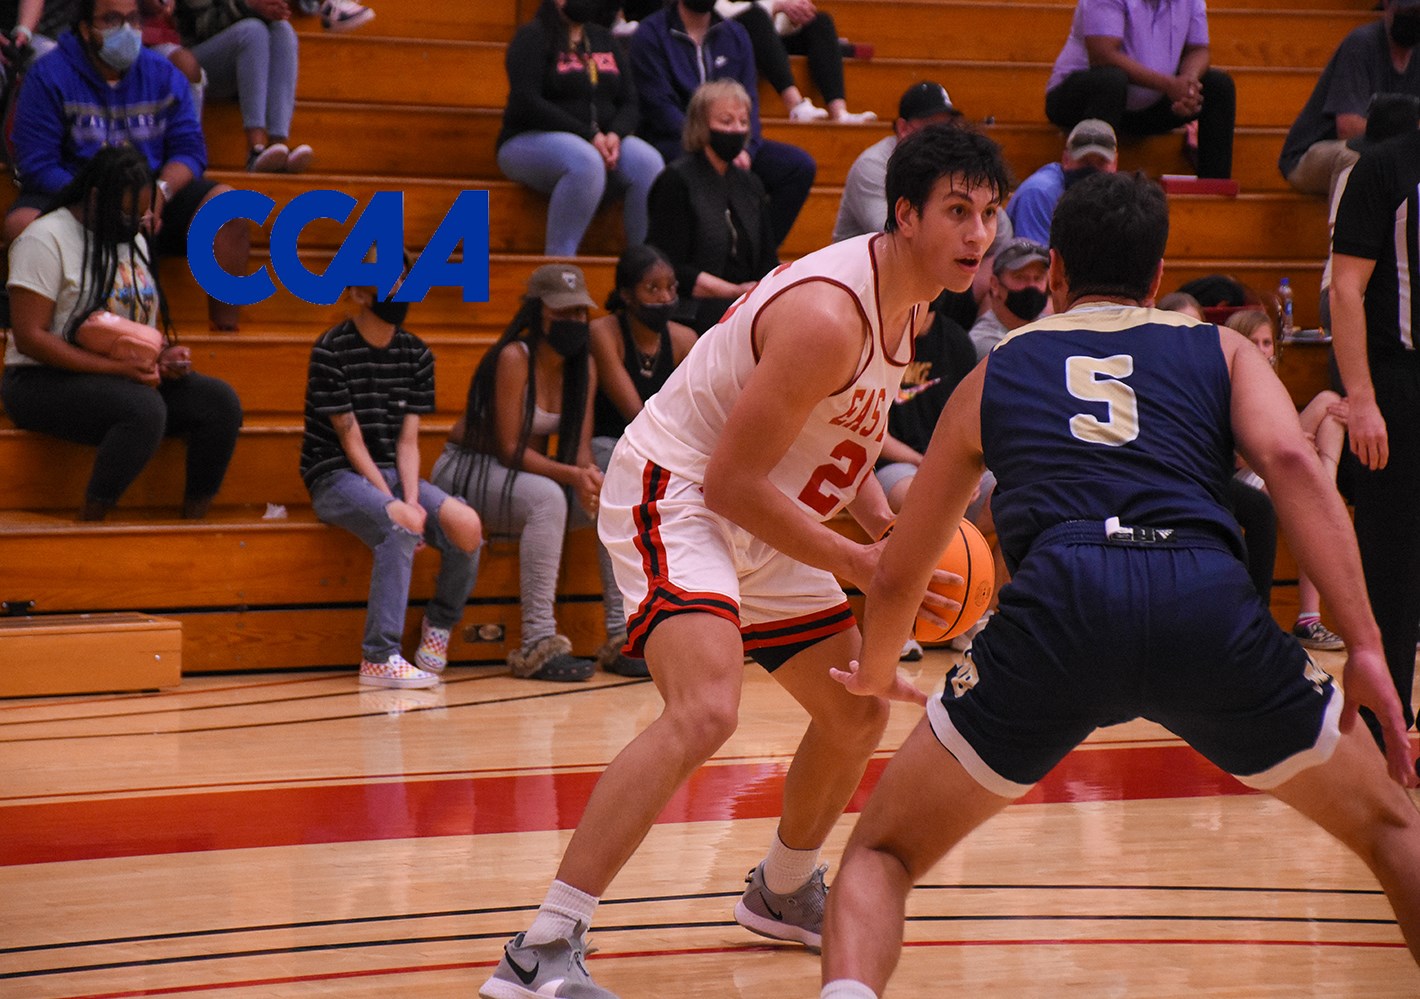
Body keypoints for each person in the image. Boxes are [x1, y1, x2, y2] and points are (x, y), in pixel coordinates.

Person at [819, 170, 1420, 999]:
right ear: (1158, 270)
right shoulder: (1220, 348)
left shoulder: (998, 369)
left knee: (881, 854)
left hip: (1058, 608)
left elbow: (899, 571)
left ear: (1057, 273)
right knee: (1392, 825)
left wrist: (878, 671)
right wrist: (1368, 644)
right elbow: (1291, 464)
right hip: (1203, 600)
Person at [476, 123, 1008, 999]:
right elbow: (728, 482)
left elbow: (838, 437)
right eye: (958, 211)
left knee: (855, 711)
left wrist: (882, 527)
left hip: (763, 506)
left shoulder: (913, 303)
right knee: (706, 708)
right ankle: (541, 947)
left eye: (988, 212)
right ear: (905, 215)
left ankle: (783, 888)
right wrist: (862, 563)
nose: (978, 233)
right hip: (679, 489)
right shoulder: (829, 314)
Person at [2, 145, 242, 521]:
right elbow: (31, 338)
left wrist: (160, 357)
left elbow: (130, 326)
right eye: (129, 213)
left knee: (219, 402)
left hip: (119, 375)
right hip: (40, 379)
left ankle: (194, 526)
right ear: (96, 198)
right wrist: (119, 370)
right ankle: (91, 523)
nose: (138, 223)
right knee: (143, 409)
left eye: (143, 213)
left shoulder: (134, 238)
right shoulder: (44, 238)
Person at [7, 0, 249, 331]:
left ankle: (227, 338)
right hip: (76, 194)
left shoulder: (163, 73)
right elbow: (38, 164)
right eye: (111, 20)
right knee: (22, 225)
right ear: (85, 29)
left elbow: (190, 151)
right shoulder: (48, 74)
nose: (126, 30)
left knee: (228, 208)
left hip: (149, 200)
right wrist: (99, 201)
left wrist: (160, 193)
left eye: (133, 19)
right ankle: (56, 335)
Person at [300, 265, 484, 690]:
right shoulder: (331, 349)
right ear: (359, 293)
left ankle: (440, 623)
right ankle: (379, 657)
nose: (401, 288)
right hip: (336, 474)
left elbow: (408, 442)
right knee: (400, 523)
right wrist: (396, 505)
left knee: (467, 526)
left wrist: (412, 498)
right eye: (390, 281)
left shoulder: (416, 353)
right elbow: (350, 440)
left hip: (394, 472)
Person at [431, 264, 603, 683]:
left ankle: (620, 631)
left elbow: (581, 452)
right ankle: (537, 642)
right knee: (546, 497)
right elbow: (509, 450)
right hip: (465, 468)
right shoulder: (514, 357)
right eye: (562, 312)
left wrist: (592, 481)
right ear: (537, 312)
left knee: (613, 485)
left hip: (517, 478)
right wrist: (573, 477)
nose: (574, 321)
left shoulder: (584, 367)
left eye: (579, 312)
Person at [1331, 116, 1420, 764]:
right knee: (1391, 561)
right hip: (1398, 382)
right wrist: (1361, 397)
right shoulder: (1386, 168)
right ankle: (1382, 726)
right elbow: (1346, 288)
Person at [587, 243, 696, 678]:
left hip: (666, 449)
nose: (665, 297)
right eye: (652, 288)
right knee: (622, 482)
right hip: (610, 445)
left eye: (671, 287)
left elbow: (694, 412)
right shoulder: (604, 332)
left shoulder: (684, 339)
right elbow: (636, 414)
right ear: (626, 293)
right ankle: (622, 633)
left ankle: (692, 628)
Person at [630, 0, 816, 252]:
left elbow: (749, 103)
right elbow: (660, 107)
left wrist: (745, 148)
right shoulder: (650, 34)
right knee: (685, 168)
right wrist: (708, 145)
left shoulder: (735, 34)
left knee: (798, 167)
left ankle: (755, 254)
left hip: (731, 138)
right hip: (676, 140)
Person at [497, 0, 664, 258]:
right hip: (528, 140)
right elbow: (526, 101)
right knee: (585, 162)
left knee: (648, 162)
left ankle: (642, 263)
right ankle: (559, 262)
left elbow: (630, 101)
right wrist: (589, 135)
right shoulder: (532, 36)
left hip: (601, 141)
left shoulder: (603, 39)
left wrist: (615, 134)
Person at [1230, 308, 1349, 651]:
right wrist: (1290, 443)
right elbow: (1231, 455)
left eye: (1267, 342)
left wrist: (1292, 443)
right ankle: (1308, 618)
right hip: (1240, 480)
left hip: (1272, 472)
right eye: (1254, 342)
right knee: (1326, 403)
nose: (1262, 349)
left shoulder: (1272, 383)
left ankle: (1325, 483)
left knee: (1330, 409)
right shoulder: (1229, 380)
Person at [1045, 0, 1236, 180]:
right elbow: (1103, 55)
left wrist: (1188, 85)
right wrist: (1170, 85)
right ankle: (1093, 187)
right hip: (1081, 102)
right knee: (1110, 80)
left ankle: (1214, 192)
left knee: (1218, 86)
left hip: (1144, 107)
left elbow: (1198, 49)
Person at [645, 79, 779, 334]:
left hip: (743, 303)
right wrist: (734, 292)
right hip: (693, 308)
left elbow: (767, 260)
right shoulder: (677, 181)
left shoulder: (750, 183)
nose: (736, 129)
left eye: (743, 122)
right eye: (726, 121)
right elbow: (669, 266)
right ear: (701, 126)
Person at [1278, 0, 1420, 200]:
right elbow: (1347, 128)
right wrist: (1407, 135)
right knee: (1357, 157)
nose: (1414, 19)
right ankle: (1344, 222)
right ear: (1387, 6)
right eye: (1408, 11)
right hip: (1314, 153)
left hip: (1383, 152)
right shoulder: (1361, 44)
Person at [175, 0, 313, 173]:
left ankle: (278, 147)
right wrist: (248, 6)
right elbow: (201, 25)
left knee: (283, 30)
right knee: (253, 31)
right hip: (192, 59)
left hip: (247, 58)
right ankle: (256, 148)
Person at [832, 81, 962, 242]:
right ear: (903, 128)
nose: (942, 137)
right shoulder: (872, 165)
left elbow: (991, 233)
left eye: (948, 127)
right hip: (864, 258)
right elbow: (890, 232)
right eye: (932, 127)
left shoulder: (950, 162)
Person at [714, 0, 874, 123]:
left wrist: (795, 14)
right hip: (727, 33)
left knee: (820, 21)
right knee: (756, 17)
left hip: (769, 30)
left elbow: (782, 13)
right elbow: (721, 9)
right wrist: (776, 6)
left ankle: (839, 112)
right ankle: (796, 105)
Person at [1006, 117, 1118, 246]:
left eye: (1101, 162)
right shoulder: (1039, 193)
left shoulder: (1117, 196)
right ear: (1066, 159)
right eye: (1084, 161)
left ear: (1115, 163)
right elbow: (1034, 257)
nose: (1092, 170)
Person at [968, 236, 1050, 359]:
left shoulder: (1053, 329)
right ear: (995, 285)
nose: (1031, 286)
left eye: (1038, 278)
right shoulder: (984, 344)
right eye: (1020, 277)